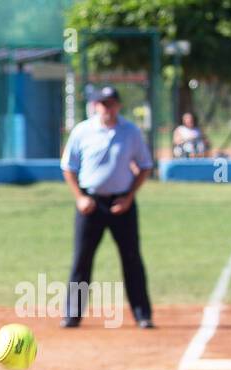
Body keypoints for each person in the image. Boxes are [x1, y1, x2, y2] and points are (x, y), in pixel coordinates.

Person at [60, 86, 155, 329]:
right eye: (102, 104)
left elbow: (144, 165)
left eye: (111, 103)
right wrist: (80, 197)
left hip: (121, 204)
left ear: (118, 106)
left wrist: (129, 196)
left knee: (132, 258)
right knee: (81, 259)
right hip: (91, 204)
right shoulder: (83, 131)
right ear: (95, 106)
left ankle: (142, 314)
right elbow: (68, 167)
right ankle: (72, 314)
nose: (107, 108)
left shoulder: (130, 132)